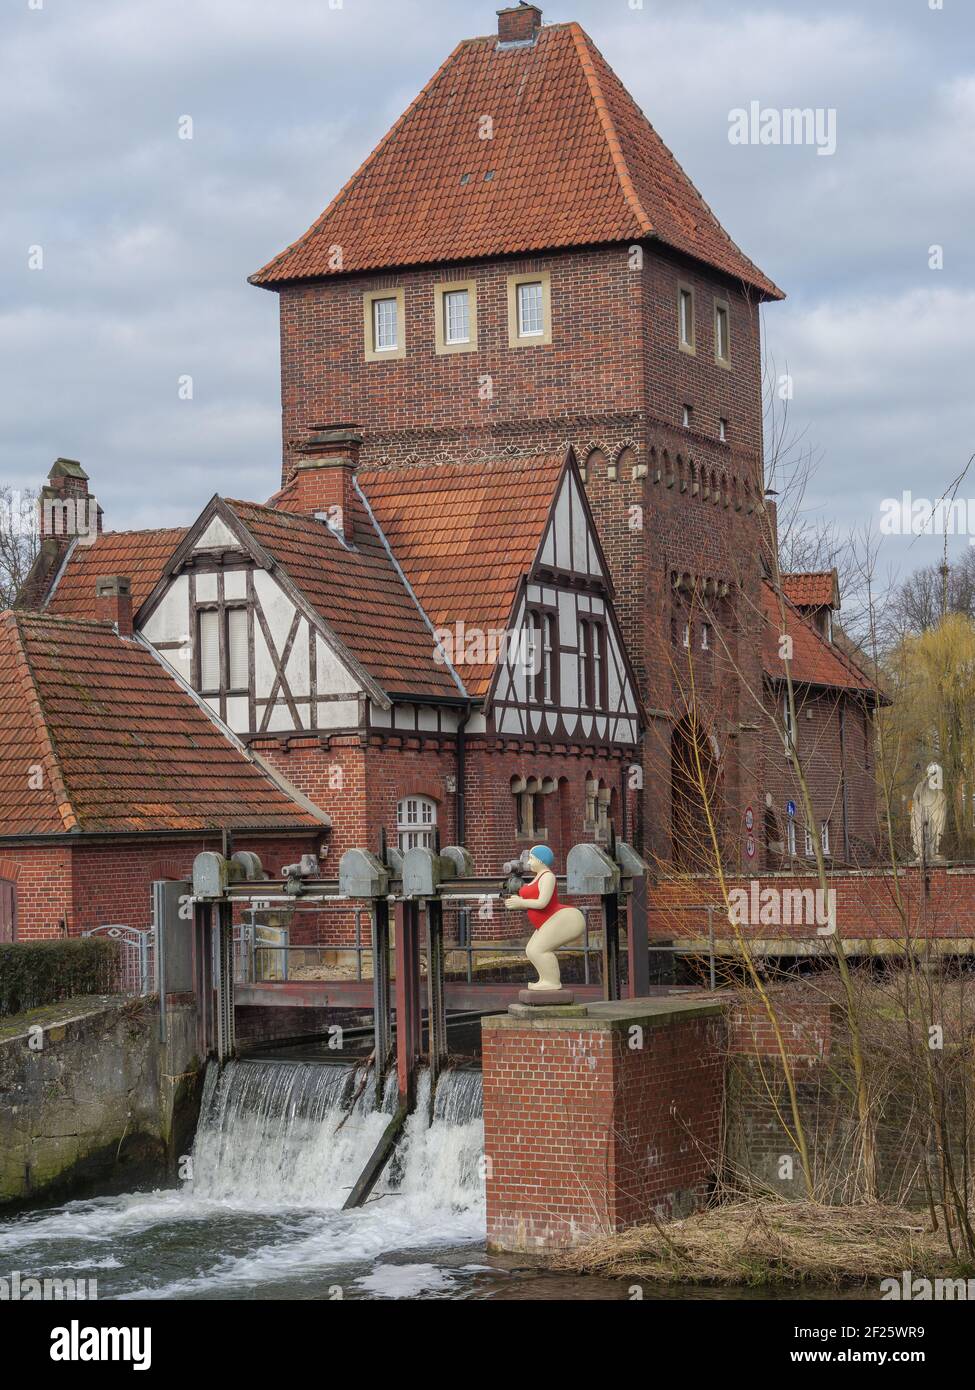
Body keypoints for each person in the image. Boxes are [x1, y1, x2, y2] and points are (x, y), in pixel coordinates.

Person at [505, 844, 585, 991]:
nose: (528, 863)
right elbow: (533, 901)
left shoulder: (548, 877)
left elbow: (543, 903)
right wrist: (518, 903)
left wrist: (521, 902)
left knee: (538, 950)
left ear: (541, 861)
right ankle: (545, 979)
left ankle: (553, 982)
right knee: (531, 950)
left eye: (531, 859)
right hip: (546, 921)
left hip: (564, 918)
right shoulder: (538, 877)